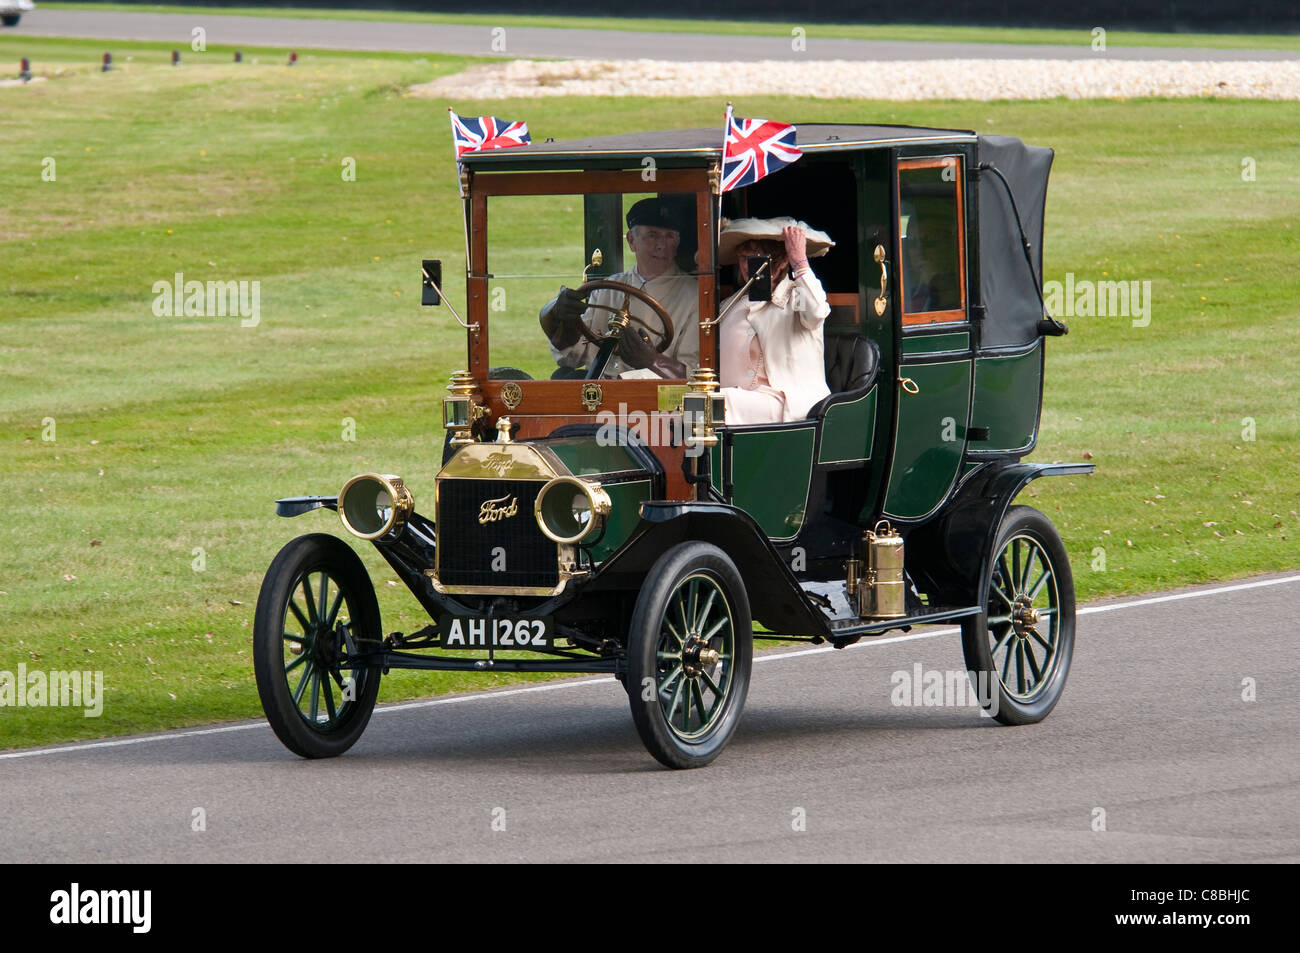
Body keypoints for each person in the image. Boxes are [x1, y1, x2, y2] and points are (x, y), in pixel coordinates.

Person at [539, 197, 699, 379]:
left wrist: (651, 360)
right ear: (632, 240)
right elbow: (572, 357)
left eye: (669, 236)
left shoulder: (694, 296)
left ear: (677, 242)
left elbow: (693, 375)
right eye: (652, 235)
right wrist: (566, 321)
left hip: (654, 399)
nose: (662, 245)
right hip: (597, 391)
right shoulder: (606, 289)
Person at [715, 217, 834, 424]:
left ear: (781, 261)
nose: (748, 265)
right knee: (681, 403)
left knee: (707, 405)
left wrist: (799, 260)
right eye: (743, 258)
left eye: (758, 257)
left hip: (790, 404)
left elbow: (816, 311)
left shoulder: (797, 297)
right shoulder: (728, 305)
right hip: (740, 405)